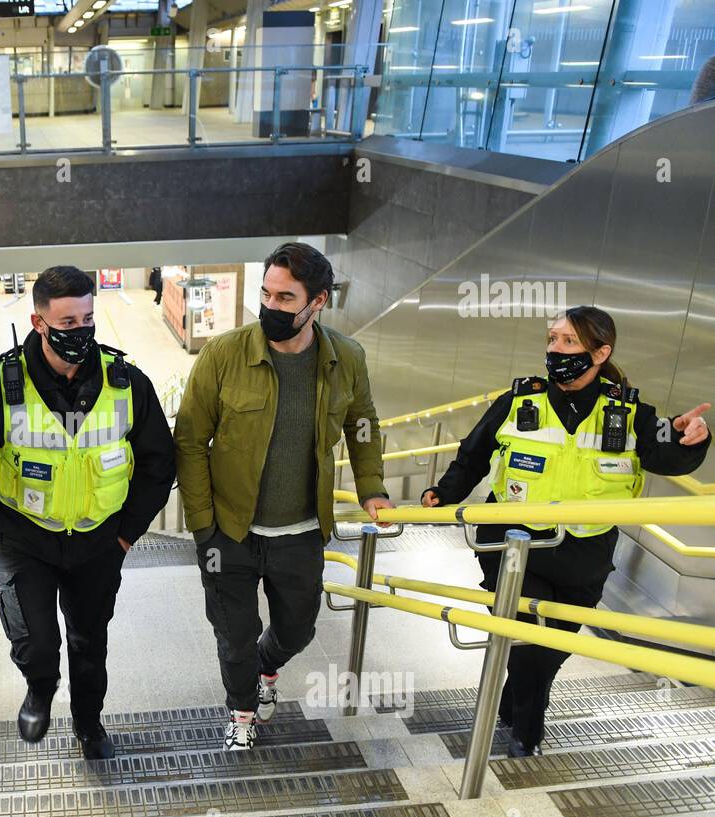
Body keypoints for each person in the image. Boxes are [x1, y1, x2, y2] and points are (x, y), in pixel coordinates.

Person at [0, 266, 176, 758]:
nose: (80, 332)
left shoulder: (127, 385)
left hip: (99, 543)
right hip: (27, 538)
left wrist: (126, 535)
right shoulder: (1, 387)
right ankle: (40, 687)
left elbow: (159, 462)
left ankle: (89, 725)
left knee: (90, 643)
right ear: (38, 322)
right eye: (67, 323)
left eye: (87, 319)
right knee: (36, 639)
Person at [423, 305, 711, 756]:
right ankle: (527, 735)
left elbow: (666, 456)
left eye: (568, 342)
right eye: (552, 339)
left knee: (551, 647)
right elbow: (473, 454)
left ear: (600, 353)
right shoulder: (520, 401)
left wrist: (690, 437)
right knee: (530, 638)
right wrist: (443, 494)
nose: (555, 349)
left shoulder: (628, 413)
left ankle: (512, 702)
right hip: (515, 542)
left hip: (585, 556)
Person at [174, 242, 392, 750]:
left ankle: (267, 670)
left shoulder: (346, 358)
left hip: (301, 531)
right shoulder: (225, 354)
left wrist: (372, 488)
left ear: (318, 302)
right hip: (229, 532)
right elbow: (189, 440)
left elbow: (363, 423)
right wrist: (204, 525)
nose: (271, 306)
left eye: (286, 298)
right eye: (266, 293)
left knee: (297, 632)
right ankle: (243, 713)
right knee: (234, 636)